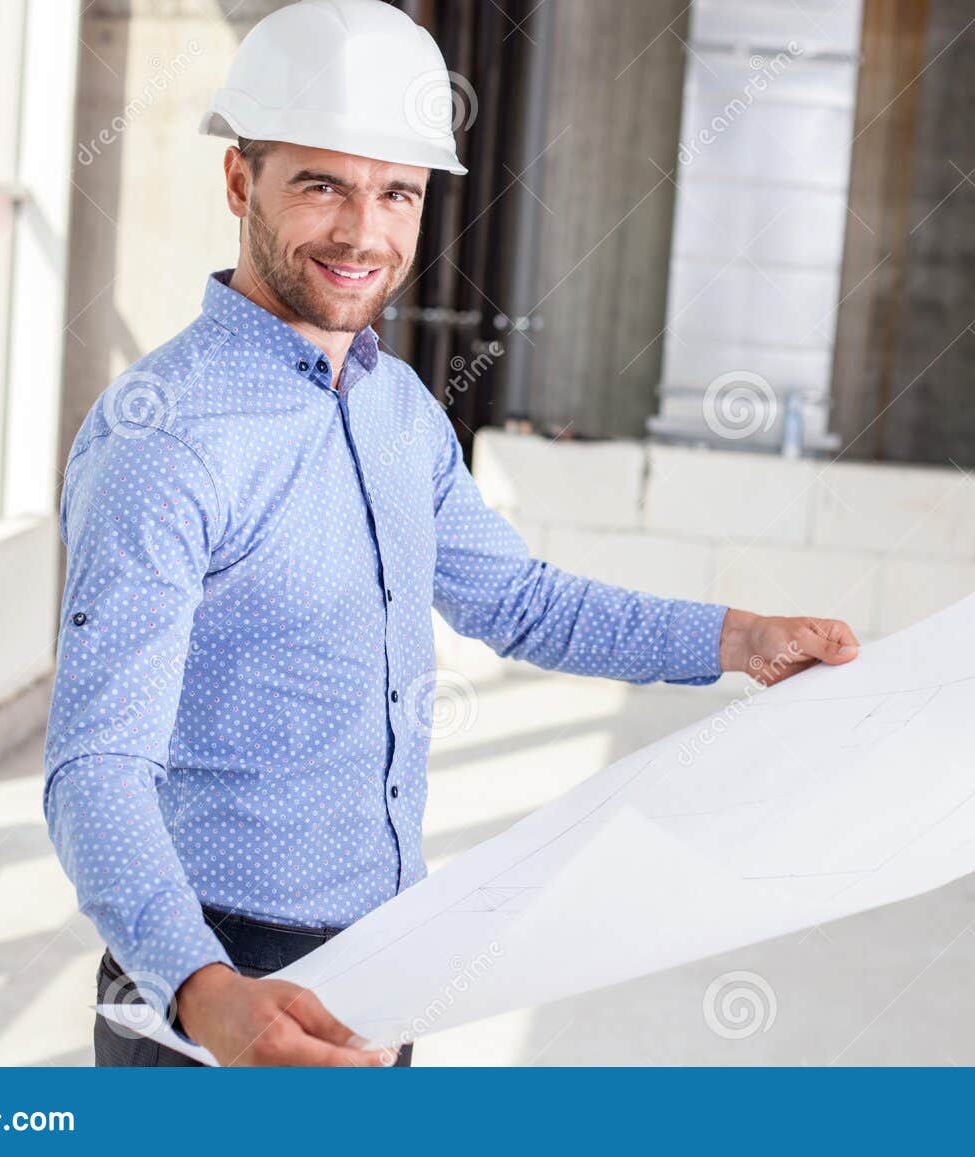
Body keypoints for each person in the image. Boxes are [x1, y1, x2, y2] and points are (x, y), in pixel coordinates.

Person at [44, 0, 859, 1068]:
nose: (362, 232)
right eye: (321, 184)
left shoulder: (397, 411)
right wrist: (204, 993)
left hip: (386, 950)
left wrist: (739, 638)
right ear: (241, 183)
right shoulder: (167, 438)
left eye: (397, 192)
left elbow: (521, 602)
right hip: (221, 974)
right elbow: (94, 766)